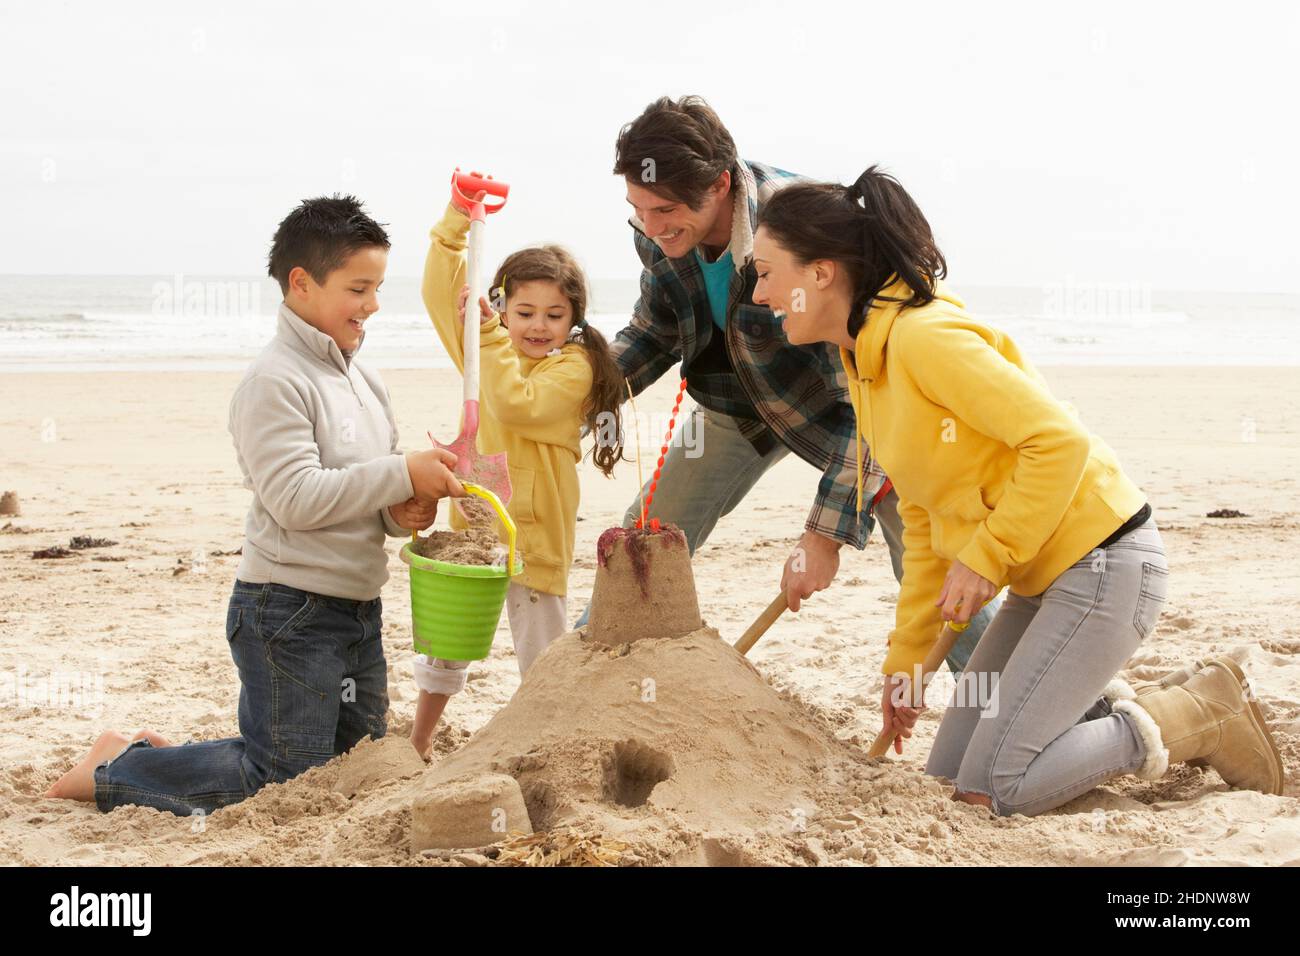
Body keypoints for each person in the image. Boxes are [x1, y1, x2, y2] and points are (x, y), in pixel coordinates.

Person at [751, 167, 1284, 814]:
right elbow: (923, 525)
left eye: (766, 271)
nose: (759, 294)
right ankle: (1093, 707)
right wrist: (909, 665)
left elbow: (1059, 443)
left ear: (822, 272)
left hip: (1105, 563)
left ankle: (1198, 711)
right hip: (1042, 584)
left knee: (997, 787)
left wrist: (987, 555)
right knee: (947, 777)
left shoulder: (924, 339)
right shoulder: (865, 364)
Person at [45, 195, 464, 814]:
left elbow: (362, 492)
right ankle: (116, 766)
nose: (373, 304)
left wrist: (399, 510)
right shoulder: (274, 381)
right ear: (301, 283)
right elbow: (296, 498)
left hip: (357, 610)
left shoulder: (362, 379)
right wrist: (401, 472)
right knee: (282, 779)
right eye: (358, 288)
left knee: (357, 762)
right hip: (288, 611)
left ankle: (143, 753)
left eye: (376, 288)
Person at [587, 95, 998, 667]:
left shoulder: (801, 227)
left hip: (856, 410)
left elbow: (877, 396)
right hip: (739, 404)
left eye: (665, 211)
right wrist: (583, 385)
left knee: (933, 568)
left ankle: (1031, 709)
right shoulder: (657, 229)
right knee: (642, 539)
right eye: (640, 210)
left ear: (721, 184)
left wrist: (823, 536)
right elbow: (655, 330)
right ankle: (588, 684)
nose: (652, 229)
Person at [411, 187, 626, 759]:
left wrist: (486, 335)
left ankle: (551, 747)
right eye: (524, 312)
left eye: (555, 315)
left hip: (533, 538)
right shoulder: (488, 349)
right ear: (502, 306)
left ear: (574, 319)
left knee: (542, 654)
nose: (537, 326)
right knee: (448, 642)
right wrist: (455, 222)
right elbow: (438, 293)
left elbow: (517, 405)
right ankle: (420, 739)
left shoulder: (573, 369)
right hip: (474, 526)